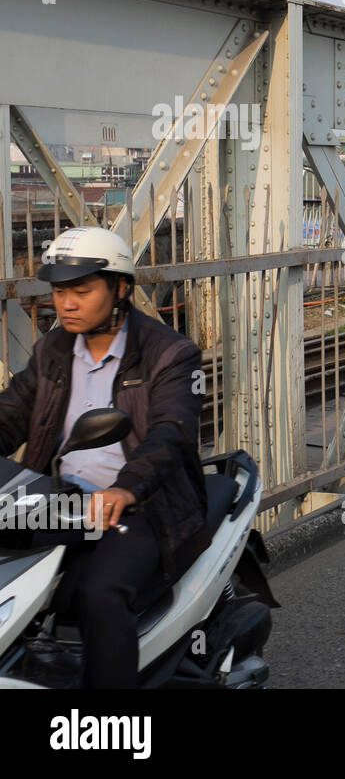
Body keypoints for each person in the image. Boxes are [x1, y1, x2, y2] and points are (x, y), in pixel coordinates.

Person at [0, 227, 207, 688]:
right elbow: (11, 414)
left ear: (119, 288)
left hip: (141, 508)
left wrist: (126, 486)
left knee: (98, 593)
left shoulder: (170, 354)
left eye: (81, 290)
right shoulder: (53, 350)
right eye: (58, 291)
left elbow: (170, 434)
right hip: (60, 502)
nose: (66, 303)